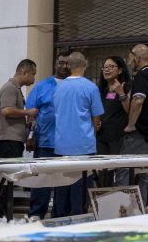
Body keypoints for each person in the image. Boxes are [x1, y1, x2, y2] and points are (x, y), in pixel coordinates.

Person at [50, 51, 105, 216]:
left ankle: (60, 220)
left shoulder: (58, 88)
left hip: (62, 144)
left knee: (62, 186)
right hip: (83, 144)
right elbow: (96, 117)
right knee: (80, 189)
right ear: (85, 64)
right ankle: (78, 219)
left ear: (69, 65)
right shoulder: (90, 87)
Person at [24, 53, 69, 218]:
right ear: (55, 64)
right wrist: (30, 136)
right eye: (61, 62)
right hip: (45, 142)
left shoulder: (74, 86)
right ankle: (36, 215)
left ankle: (60, 217)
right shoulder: (41, 87)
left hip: (68, 145)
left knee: (64, 184)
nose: (64, 66)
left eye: (67, 63)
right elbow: (31, 114)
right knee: (41, 183)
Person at [0, 59, 36, 159]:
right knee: (10, 168)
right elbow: (7, 111)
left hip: (13, 139)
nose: (34, 78)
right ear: (24, 72)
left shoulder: (15, 88)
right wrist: (28, 112)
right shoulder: (10, 88)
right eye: (33, 74)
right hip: (9, 140)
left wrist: (25, 124)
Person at [96, 55, 130, 155]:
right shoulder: (101, 90)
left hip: (118, 136)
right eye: (105, 67)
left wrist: (121, 93)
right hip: (101, 136)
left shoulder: (126, 86)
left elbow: (130, 110)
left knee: (116, 163)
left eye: (111, 66)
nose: (107, 70)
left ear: (120, 70)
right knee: (101, 163)